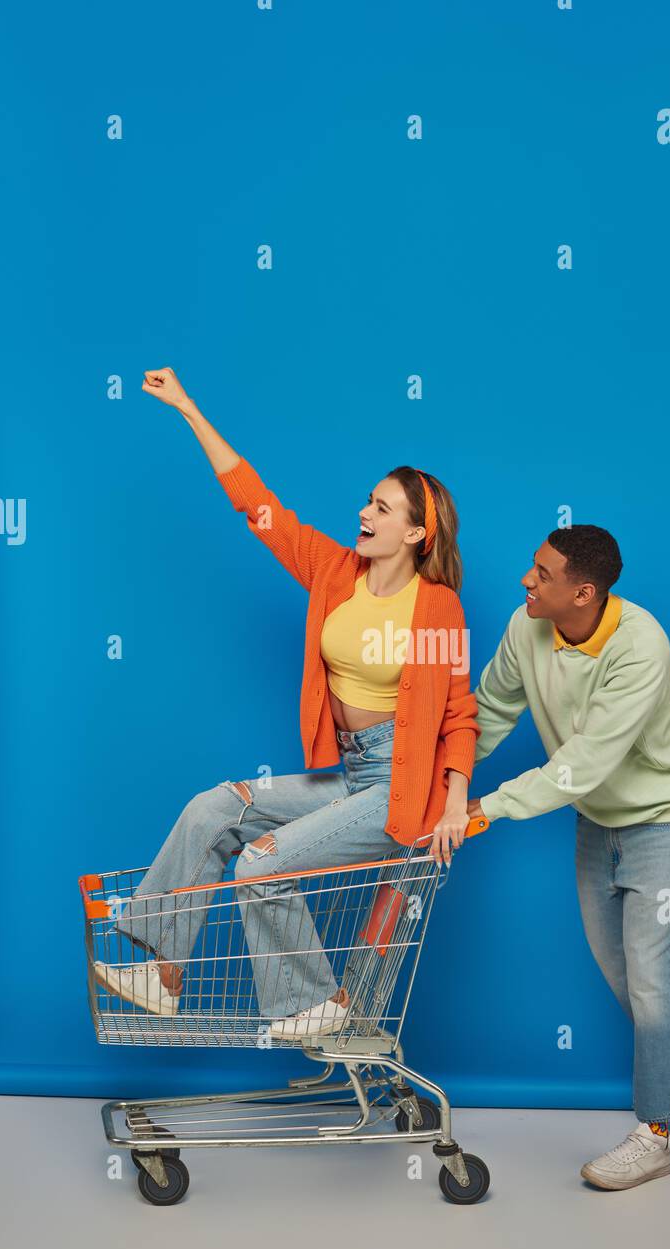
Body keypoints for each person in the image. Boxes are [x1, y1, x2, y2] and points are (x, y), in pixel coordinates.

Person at [93, 367, 479, 1039]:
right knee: (214, 808)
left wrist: (450, 802)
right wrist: (188, 407)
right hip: (350, 771)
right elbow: (257, 505)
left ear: (417, 534)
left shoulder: (437, 606)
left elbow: (457, 713)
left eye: (383, 508)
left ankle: (311, 1001)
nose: (364, 512)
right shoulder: (333, 572)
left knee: (262, 861)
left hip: (399, 786)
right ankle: (162, 975)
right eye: (369, 501)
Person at [466, 524, 670, 1189]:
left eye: (542, 574)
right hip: (596, 822)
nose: (526, 581)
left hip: (662, 822)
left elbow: (583, 763)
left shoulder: (640, 645)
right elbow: (492, 708)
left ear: (582, 592)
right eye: (532, 567)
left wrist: (484, 809)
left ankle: (652, 1134)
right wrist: (436, 780)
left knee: (653, 984)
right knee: (624, 975)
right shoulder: (525, 626)